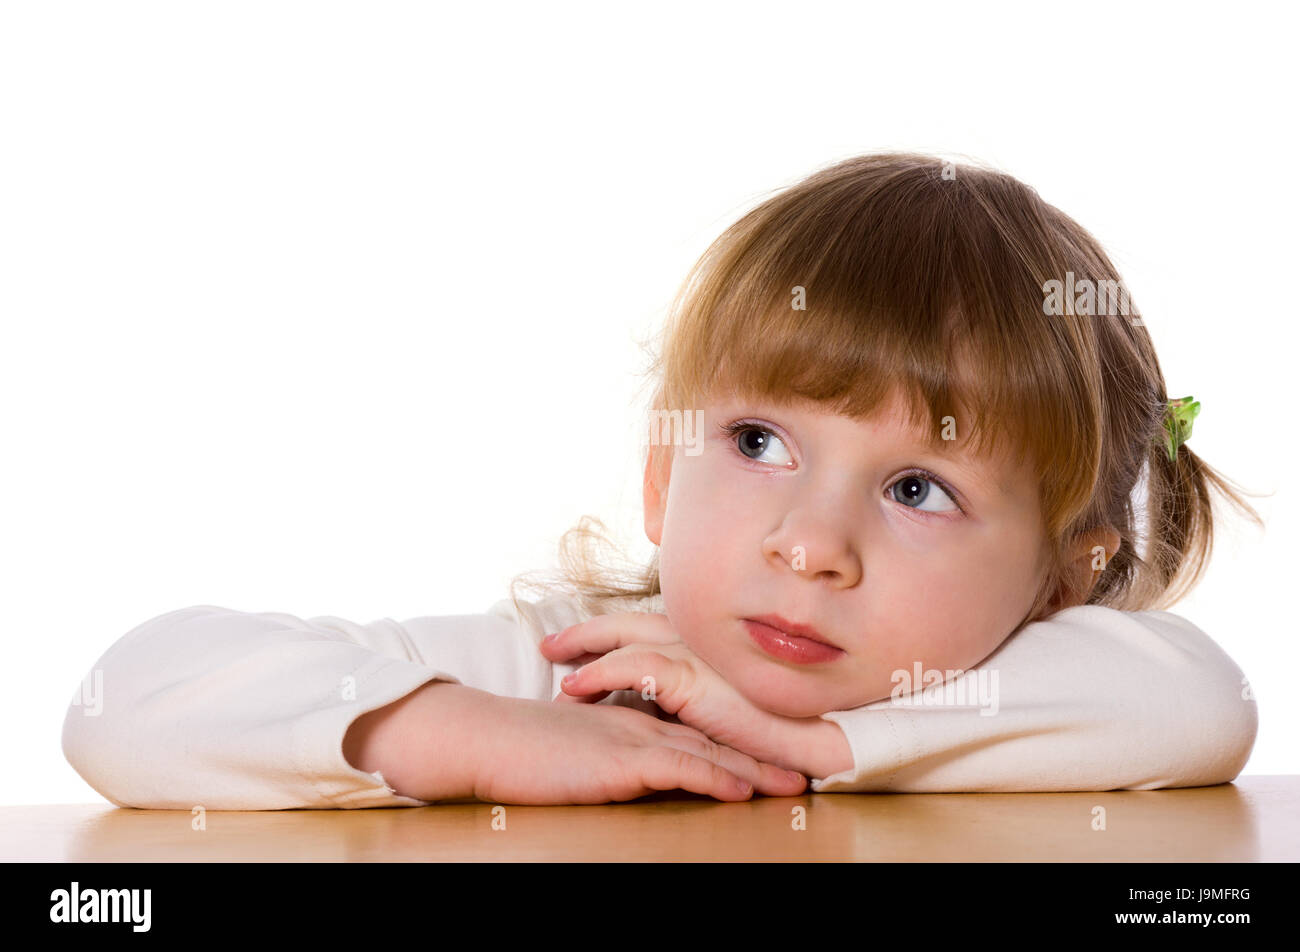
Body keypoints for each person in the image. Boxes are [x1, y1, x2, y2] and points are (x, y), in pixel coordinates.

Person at [62, 153, 1262, 809]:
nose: (808, 545)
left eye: (916, 490)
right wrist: (454, 731)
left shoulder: (1012, 688)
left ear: (1065, 573)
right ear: (660, 476)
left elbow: (1196, 704)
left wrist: (836, 742)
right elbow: (129, 697)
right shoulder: (580, 671)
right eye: (755, 445)